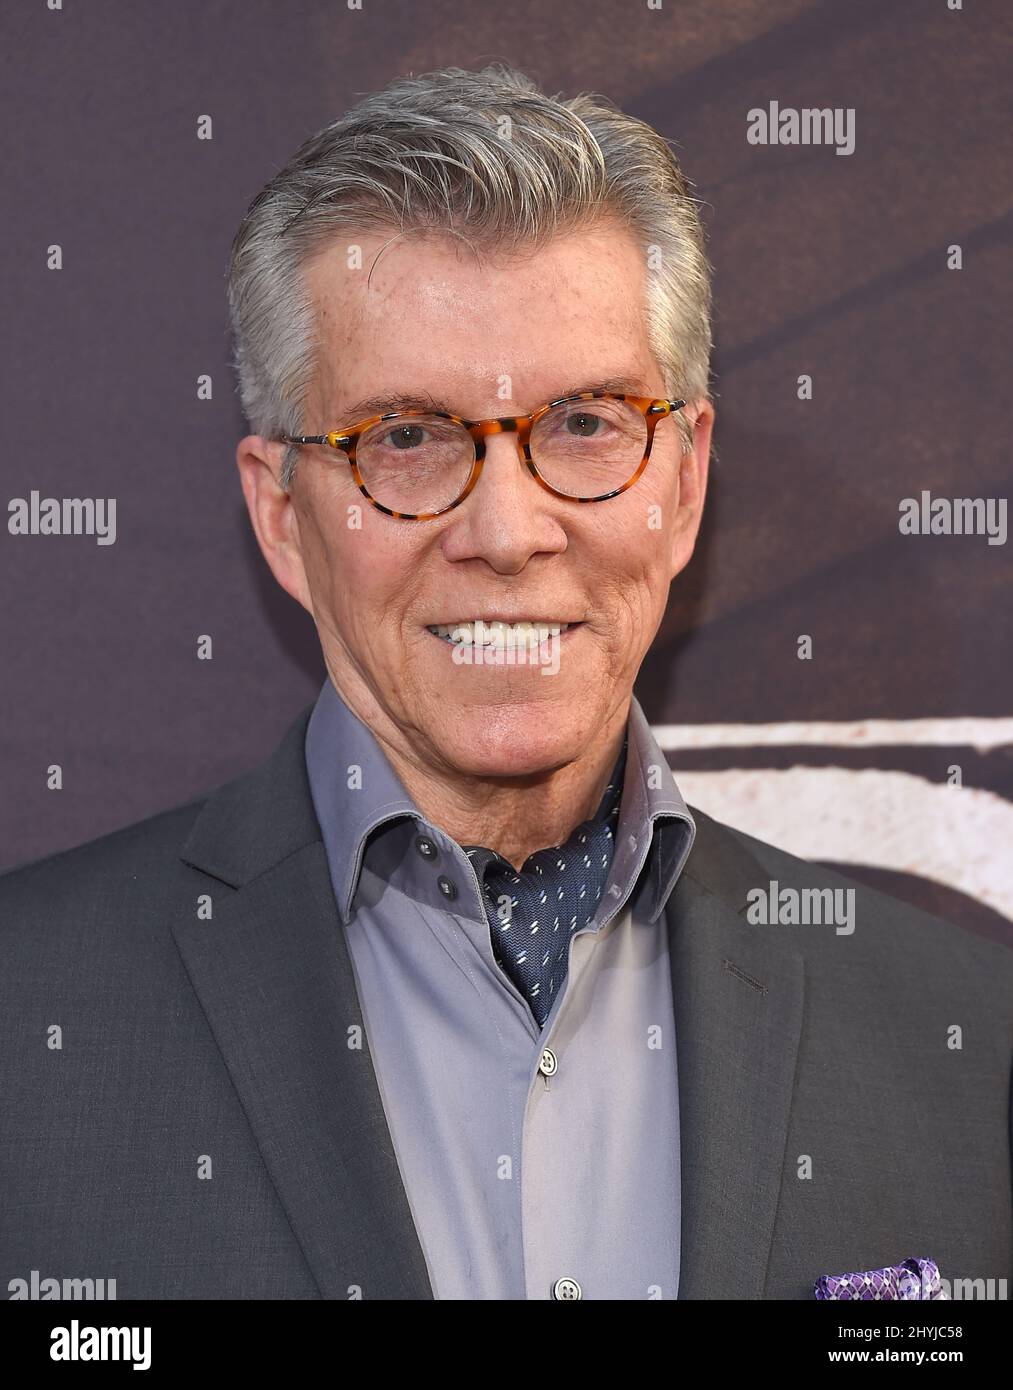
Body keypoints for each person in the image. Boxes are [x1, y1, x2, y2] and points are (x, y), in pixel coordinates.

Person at [2, 64, 1010, 1302]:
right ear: (279, 513)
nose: (507, 530)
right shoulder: (24, 1025)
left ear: (683, 484)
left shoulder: (967, 1044)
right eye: (407, 439)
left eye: (585, 423)